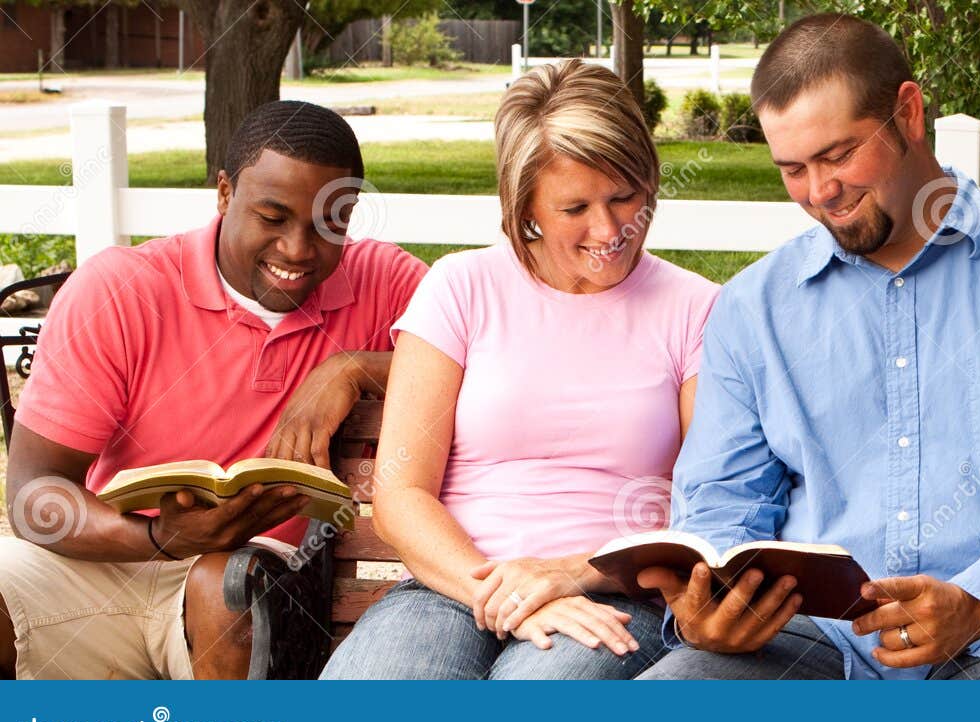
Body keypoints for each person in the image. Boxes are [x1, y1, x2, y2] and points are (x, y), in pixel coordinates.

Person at [634, 14, 980, 680]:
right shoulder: (753, 307)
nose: (820, 193)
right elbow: (723, 503)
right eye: (793, 169)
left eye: (838, 155)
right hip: (819, 642)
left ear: (908, 113)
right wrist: (710, 607)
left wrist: (979, 599)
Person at [0, 101, 428, 680]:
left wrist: (351, 367)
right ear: (224, 194)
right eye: (272, 217)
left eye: (329, 223)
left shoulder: (384, 282)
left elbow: (496, 367)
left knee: (221, 582)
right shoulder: (121, 288)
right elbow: (34, 494)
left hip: (259, 578)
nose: (298, 250)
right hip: (110, 557)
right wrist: (158, 535)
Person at [319, 60, 718, 680]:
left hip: (612, 594)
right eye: (575, 207)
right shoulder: (461, 287)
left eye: (625, 197)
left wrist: (566, 576)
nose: (610, 230)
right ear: (524, 202)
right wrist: (509, 597)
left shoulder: (696, 309)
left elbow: (705, 508)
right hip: (448, 586)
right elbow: (400, 493)